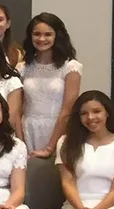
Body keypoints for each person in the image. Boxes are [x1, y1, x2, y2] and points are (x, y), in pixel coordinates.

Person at [19, 13, 82, 158]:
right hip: (28, 128)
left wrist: (50, 147)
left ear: (57, 36)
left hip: (57, 128)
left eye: (48, 34)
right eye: (37, 34)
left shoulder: (71, 67)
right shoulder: (23, 67)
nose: (42, 39)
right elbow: (19, 107)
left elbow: (67, 109)